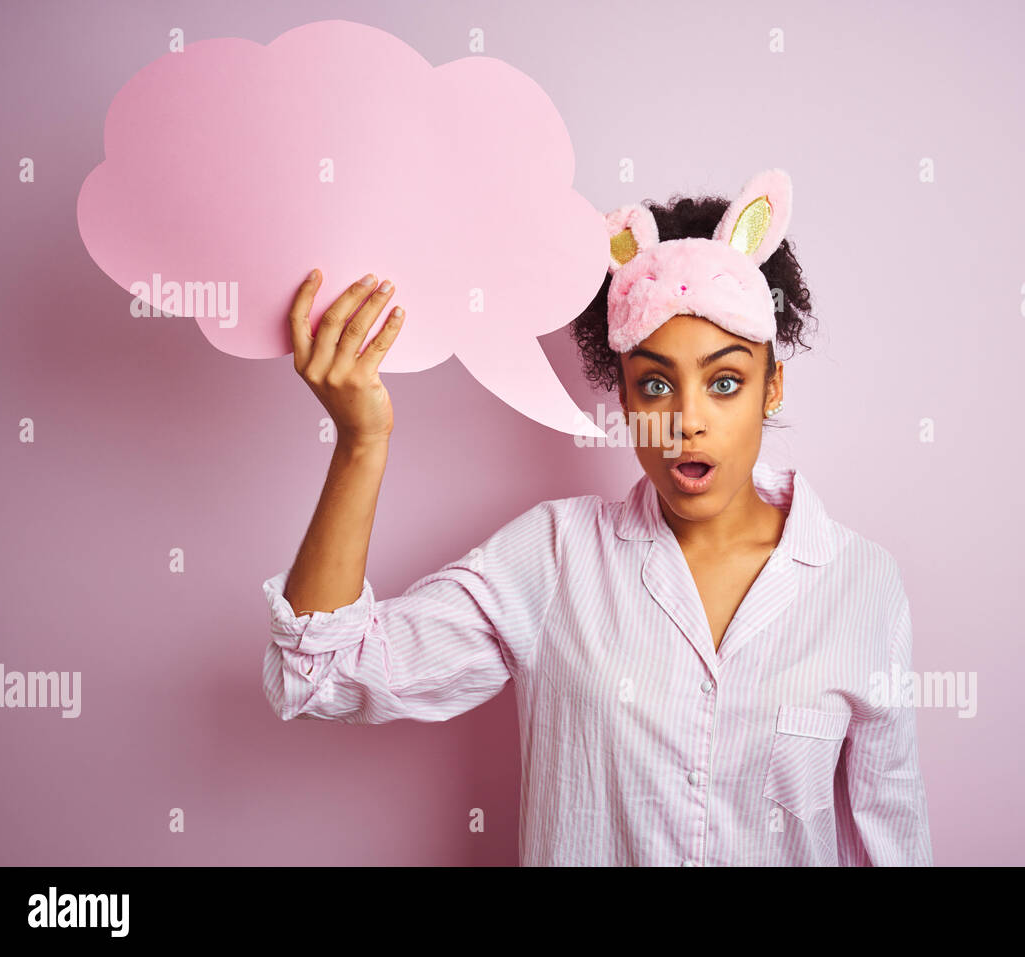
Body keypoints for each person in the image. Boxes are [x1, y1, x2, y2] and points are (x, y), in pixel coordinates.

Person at [261, 168, 933, 866]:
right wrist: (360, 443)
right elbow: (320, 673)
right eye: (655, 384)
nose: (688, 422)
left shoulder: (862, 585)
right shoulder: (555, 558)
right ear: (624, 398)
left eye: (725, 381)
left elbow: (892, 836)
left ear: (772, 386)